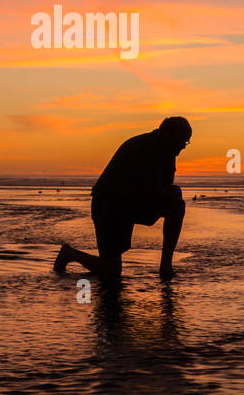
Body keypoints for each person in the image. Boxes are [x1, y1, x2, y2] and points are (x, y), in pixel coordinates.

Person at [53, 117, 191, 281]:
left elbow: (164, 189)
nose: (183, 145)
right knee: (111, 271)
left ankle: (165, 266)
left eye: (186, 142)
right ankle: (70, 254)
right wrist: (172, 196)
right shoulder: (146, 148)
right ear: (169, 135)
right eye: (182, 140)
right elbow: (153, 190)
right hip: (109, 206)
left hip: (130, 204)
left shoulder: (168, 152)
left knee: (176, 203)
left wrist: (173, 195)